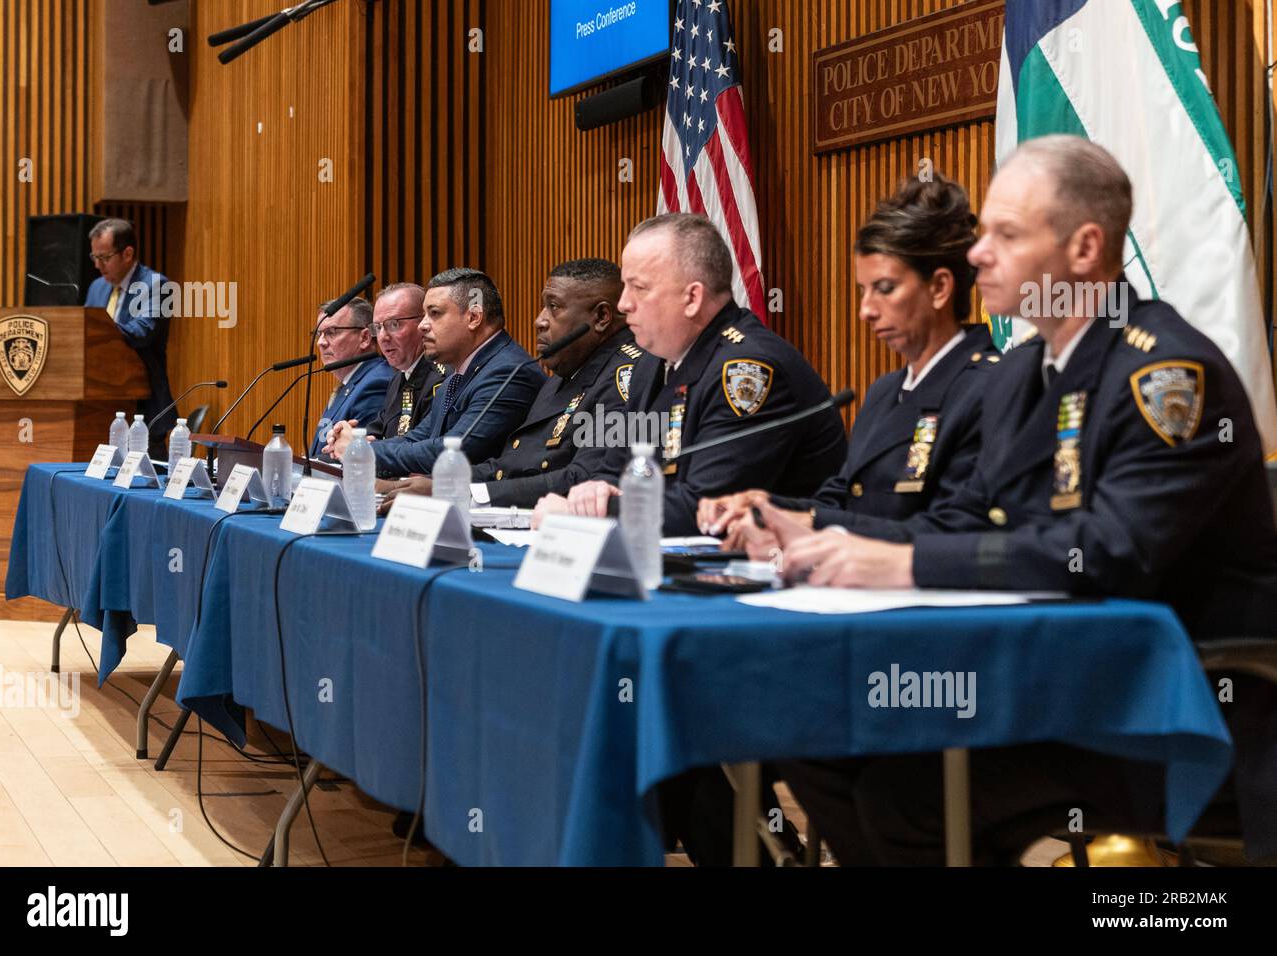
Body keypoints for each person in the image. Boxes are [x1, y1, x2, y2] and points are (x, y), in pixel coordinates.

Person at [762, 135, 1277, 864]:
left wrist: (900, 568)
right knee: (810, 734)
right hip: (1051, 679)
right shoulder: (1021, 372)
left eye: (1006, 234)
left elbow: (1105, 555)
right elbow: (969, 518)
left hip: (1175, 705)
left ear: (1084, 248)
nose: (976, 255)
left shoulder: (1166, 374)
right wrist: (842, 542)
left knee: (900, 799)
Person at [696, 173, 998, 557]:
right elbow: (842, 496)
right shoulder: (887, 390)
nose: (866, 310)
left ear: (939, 288)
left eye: (885, 289)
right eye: (863, 291)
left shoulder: (989, 386)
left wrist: (816, 524)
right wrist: (766, 507)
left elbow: (954, 529)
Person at [535, 213, 847, 536]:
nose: (624, 304)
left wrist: (587, 515)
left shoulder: (746, 371)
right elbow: (615, 470)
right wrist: (595, 491)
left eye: (638, 288)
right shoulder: (650, 363)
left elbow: (707, 509)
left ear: (692, 298)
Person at [379, 258, 641, 509]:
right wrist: (444, 484)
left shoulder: (626, 376)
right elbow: (510, 463)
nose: (539, 320)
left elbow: (585, 477)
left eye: (554, 306)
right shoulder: (562, 375)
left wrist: (454, 490)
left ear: (602, 317)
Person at [326, 268, 544, 477]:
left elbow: (454, 450)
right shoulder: (458, 377)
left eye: (435, 313)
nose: (423, 325)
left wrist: (361, 452)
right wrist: (356, 445)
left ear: (474, 317)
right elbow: (415, 440)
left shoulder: (508, 372)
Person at [84, 218, 175, 456]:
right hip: (96, 408)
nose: (98, 266)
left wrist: (98, 328)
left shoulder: (157, 286)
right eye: (95, 258)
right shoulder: (96, 287)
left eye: (104, 258)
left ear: (127, 253)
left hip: (143, 410)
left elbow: (142, 332)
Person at [309, 297, 397, 460]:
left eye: (331, 332)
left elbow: (353, 454)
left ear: (364, 338)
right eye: (318, 334)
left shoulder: (376, 383)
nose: (320, 343)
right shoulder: (351, 381)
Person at [366, 283, 444, 438]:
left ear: (423, 323)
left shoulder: (440, 379)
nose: (383, 337)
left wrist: (368, 448)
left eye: (394, 324)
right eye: (378, 327)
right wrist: (347, 438)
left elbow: (421, 445)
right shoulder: (398, 378)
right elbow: (378, 430)